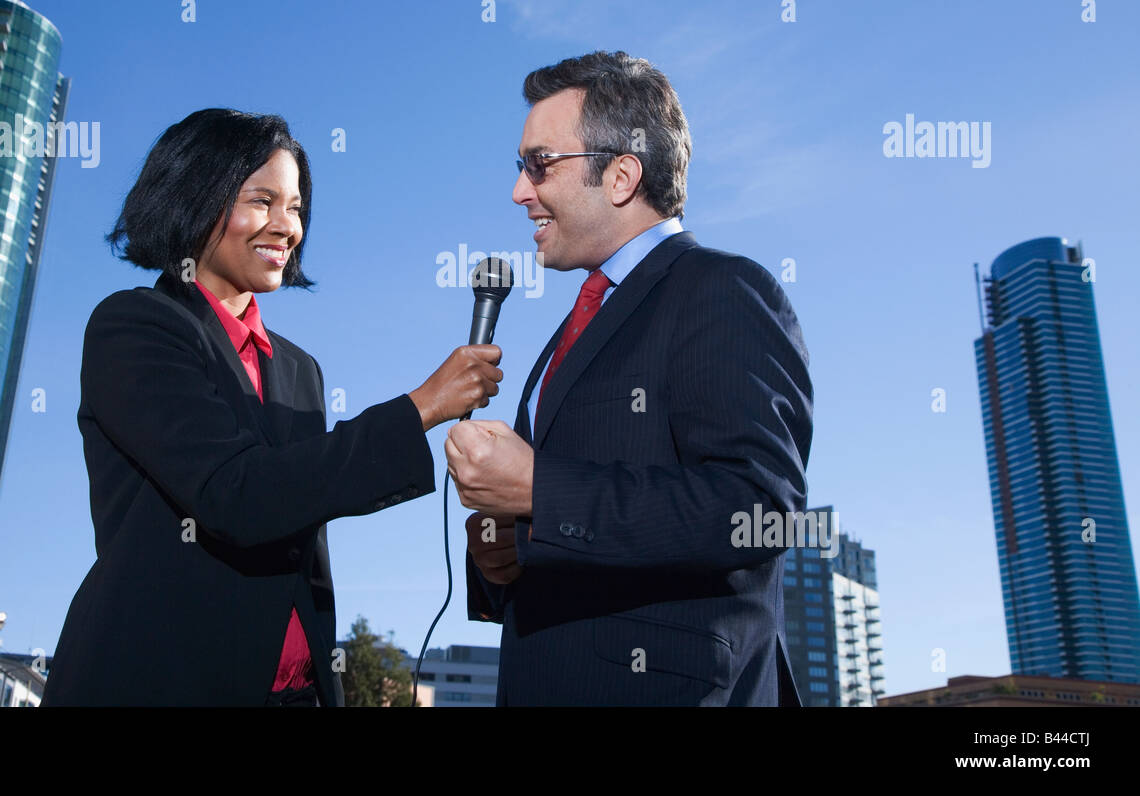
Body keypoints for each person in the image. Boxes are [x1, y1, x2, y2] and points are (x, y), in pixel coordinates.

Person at [43, 108, 501, 706]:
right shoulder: (134, 327)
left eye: (297, 208)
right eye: (263, 201)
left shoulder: (298, 368)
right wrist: (421, 408)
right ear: (195, 196)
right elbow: (235, 494)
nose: (287, 226)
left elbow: (303, 533)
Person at [446, 52, 814, 705]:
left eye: (540, 165)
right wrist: (507, 551)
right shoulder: (573, 330)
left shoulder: (720, 291)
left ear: (620, 175)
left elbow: (758, 512)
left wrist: (538, 490)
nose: (519, 192)